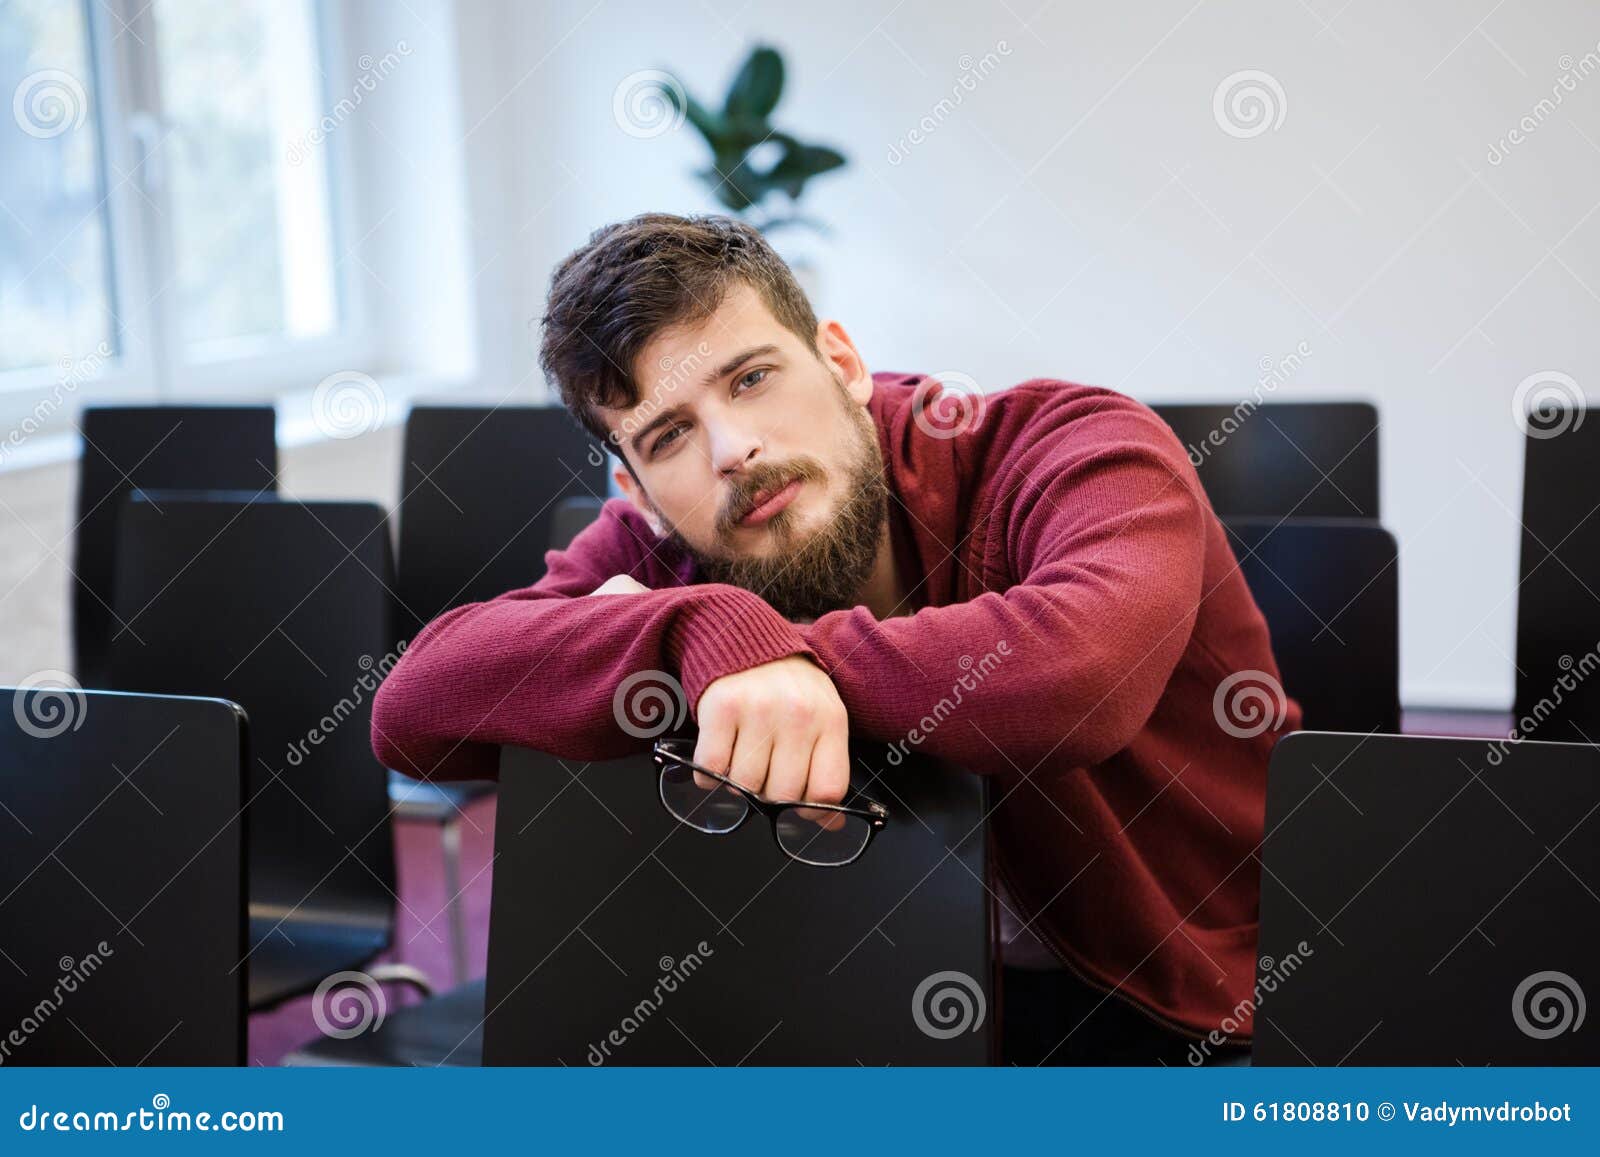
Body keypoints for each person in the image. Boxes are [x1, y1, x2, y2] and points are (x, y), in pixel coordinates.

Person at [370, 212, 1299, 1064]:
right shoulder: (671, 543)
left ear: (843, 363)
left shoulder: (1075, 444)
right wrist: (697, 624)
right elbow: (415, 712)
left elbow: (1078, 678)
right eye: (667, 437)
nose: (732, 448)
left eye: (752, 378)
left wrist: (783, 656)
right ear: (637, 496)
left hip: (1184, 992)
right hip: (874, 990)